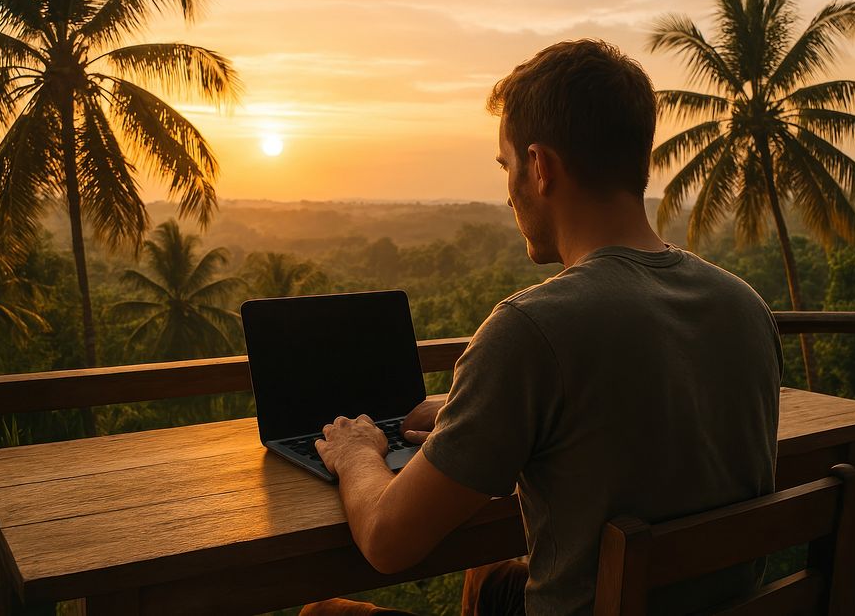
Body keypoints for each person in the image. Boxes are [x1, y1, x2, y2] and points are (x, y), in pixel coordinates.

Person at [309, 39, 782, 615]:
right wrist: (474, 418)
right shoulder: (745, 307)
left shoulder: (532, 329)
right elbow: (634, 424)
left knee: (323, 614)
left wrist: (357, 452)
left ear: (539, 167)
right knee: (493, 580)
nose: (508, 191)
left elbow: (387, 541)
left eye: (507, 166)